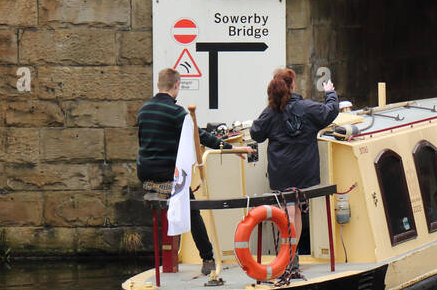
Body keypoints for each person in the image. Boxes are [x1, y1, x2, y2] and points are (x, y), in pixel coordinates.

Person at [137, 67, 229, 276]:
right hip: (168, 178)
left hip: (146, 176)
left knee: (176, 200)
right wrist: (229, 147)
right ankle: (207, 258)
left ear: (158, 85)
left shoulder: (143, 110)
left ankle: (168, 258)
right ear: (176, 85)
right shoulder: (177, 113)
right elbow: (201, 137)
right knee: (192, 206)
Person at [250, 73, 340, 277]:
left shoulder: (270, 113)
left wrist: (267, 114)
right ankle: (291, 257)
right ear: (291, 87)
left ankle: (289, 257)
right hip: (303, 171)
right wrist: (330, 93)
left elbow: (256, 133)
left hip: (280, 172)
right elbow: (330, 112)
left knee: (287, 211)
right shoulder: (308, 108)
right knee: (296, 211)